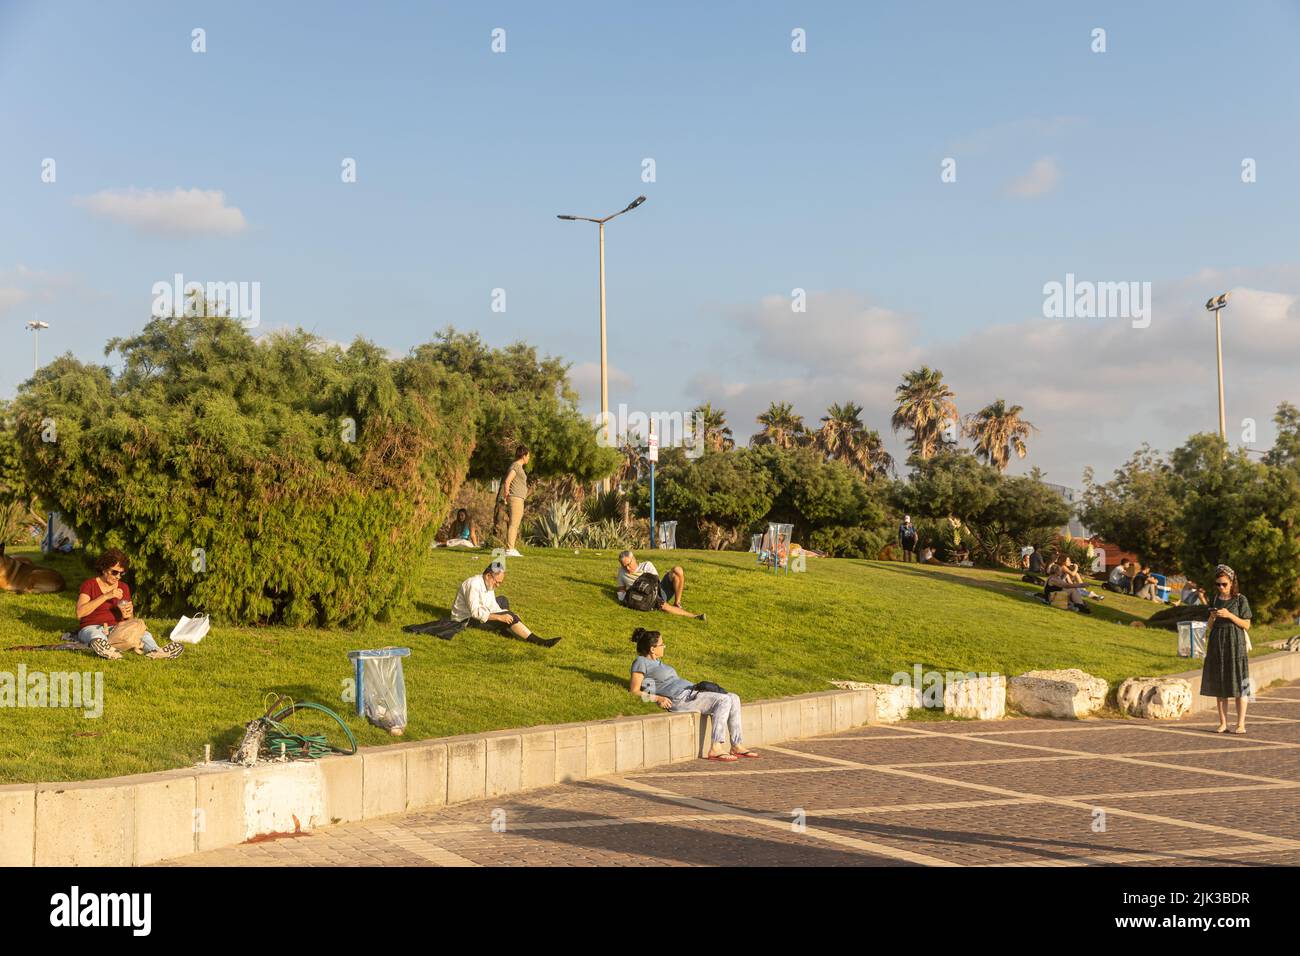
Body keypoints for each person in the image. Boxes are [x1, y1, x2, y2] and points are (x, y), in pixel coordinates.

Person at [627, 627, 757, 761]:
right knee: (724, 700)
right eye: (662, 644)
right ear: (652, 649)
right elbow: (635, 690)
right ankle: (716, 747)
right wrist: (658, 698)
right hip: (680, 698)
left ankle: (737, 745)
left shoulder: (658, 663)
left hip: (691, 692)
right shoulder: (641, 662)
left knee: (734, 697)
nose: (664, 646)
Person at [401, 561, 561, 646]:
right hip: (467, 620)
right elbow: (476, 612)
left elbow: (492, 605)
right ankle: (538, 641)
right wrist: (501, 618)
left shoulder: (488, 585)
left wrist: (504, 614)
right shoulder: (473, 584)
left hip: (479, 614)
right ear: (489, 575)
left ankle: (509, 628)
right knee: (507, 615)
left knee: (503, 602)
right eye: (498, 582)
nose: (498, 585)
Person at [75, 549, 184, 660]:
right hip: (92, 626)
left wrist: (128, 613)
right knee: (95, 635)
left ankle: (155, 651)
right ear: (104, 569)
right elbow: (80, 613)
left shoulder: (123, 587)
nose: (118, 576)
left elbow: (129, 620)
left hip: (117, 629)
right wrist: (105, 596)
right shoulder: (90, 585)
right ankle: (106, 649)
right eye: (114, 572)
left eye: (122, 573)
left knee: (143, 633)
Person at [1201, 565, 1252, 734]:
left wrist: (1229, 615)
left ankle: (1241, 724)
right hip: (1218, 643)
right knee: (1220, 683)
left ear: (1231, 582)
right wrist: (1212, 616)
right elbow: (1209, 626)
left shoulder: (1240, 599)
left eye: (1224, 584)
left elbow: (1247, 624)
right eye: (1218, 584)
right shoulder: (1215, 599)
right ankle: (1223, 723)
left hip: (1235, 643)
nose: (1221, 587)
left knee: (1239, 683)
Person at [617, 551, 705, 620]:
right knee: (664, 606)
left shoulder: (647, 565)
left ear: (634, 559)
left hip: (657, 590)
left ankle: (677, 603)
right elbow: (621, 593)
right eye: (624, 566)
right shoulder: (622, 573)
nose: (627, 568)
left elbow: (656, 583)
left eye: (629, 564)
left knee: (678, 570)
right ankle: (695, 616)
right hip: (644, 597)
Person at [498, 446, 530, 557]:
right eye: (528, 456)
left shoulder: (519, 467)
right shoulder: (516, 466)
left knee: (515, 523)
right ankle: (510, 549)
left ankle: (511, 547)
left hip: (519, 498)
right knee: (514, 523)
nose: (529, 458)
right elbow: (507, 481)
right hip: (515, 498)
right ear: (524, 455)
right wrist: (506, 496)